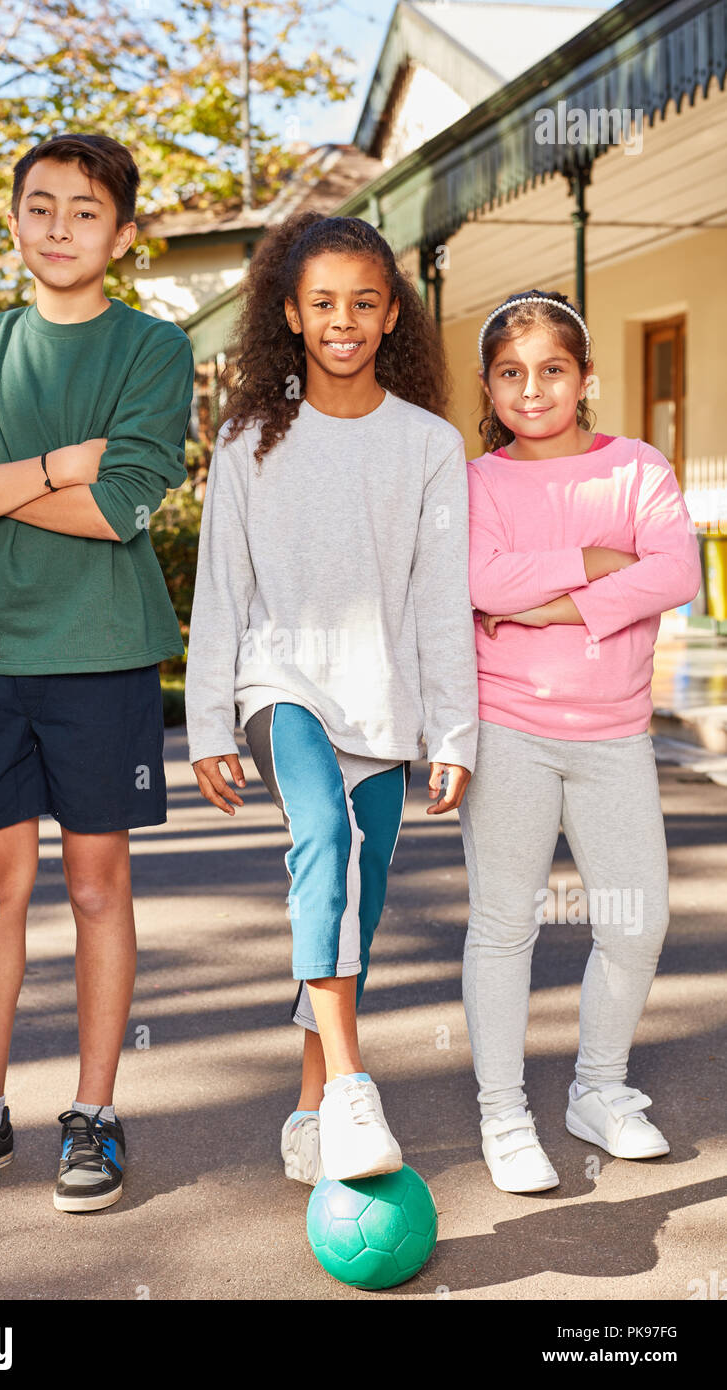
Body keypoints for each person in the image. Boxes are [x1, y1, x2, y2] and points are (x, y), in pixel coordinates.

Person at [0, 133, 194, 1212]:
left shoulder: (152, 352)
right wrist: (57, 465)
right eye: (40, 206)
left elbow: (121, 510)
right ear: (14, 220)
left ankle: (95, 1115)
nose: (58, 226)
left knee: (96, 885)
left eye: (84, 210)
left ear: (120, 232)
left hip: (105, 660)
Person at [185, 212, 478, 1186]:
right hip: (282, 685)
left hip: (383, 703)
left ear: (392, 313)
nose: (342, 319)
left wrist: (453, 729)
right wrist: (207, 725)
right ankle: (355, 1085)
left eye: (362, 301)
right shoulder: (247, 443)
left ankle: (310, 1108)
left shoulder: (429, 445)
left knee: (352, 901)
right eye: (322, 303)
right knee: (323, 839)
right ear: (289, 313)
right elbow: (221, 594)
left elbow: (440, 600)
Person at [461, 289, 701, 1193]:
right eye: (511, 374)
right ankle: (504, 1115)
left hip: (616, 736)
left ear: (585, 376)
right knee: (504, 924)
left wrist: (548, 606)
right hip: (509, 730)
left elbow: (674, 569)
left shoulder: (636, 467)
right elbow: (480, 577)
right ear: (488, 387)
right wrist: (600, 562)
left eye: (552, 370)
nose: (532, 389)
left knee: (638, 922)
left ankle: (598, 1089)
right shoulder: (480, 481)